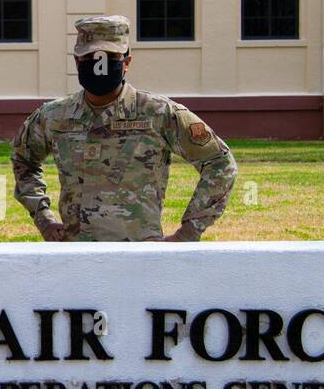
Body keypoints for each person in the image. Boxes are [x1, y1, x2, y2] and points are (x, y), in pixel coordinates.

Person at [12, 15, 237, 242]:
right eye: (90, 56)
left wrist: (188, 232)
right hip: (76, 258)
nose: (98, 63)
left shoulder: (158, 113)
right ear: (77, 61)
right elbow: (23, 160)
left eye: (109, 57)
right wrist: (44, 219)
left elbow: (219, 163)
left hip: (138, 259)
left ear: (127, 62)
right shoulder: (53, 116)